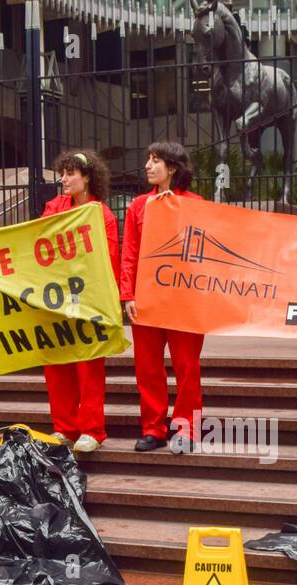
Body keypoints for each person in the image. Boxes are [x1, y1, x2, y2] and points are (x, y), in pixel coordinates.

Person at [119, 141, 204, 453]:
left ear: (173, 168)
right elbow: (129, 252)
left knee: (187, 366)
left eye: (155, 161)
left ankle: (187, 428)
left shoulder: (194, 204)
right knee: (148, 367)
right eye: (148, 159)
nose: (147, 166)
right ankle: (153, 428)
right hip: (147, 299)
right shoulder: (138, 206)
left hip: (185, 301)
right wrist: (128, 294)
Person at [40, 150, 118, 453]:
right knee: (57, 366)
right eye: (63, 173)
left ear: (87, 178)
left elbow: (108, 260)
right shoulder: (54, 207)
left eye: (71, 173)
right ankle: (64, 428)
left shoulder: (103, 215)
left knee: (88, 367)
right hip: (56, 299)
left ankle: (92, 430)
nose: (64, 179)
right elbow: (38, 242)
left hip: (87, 300)